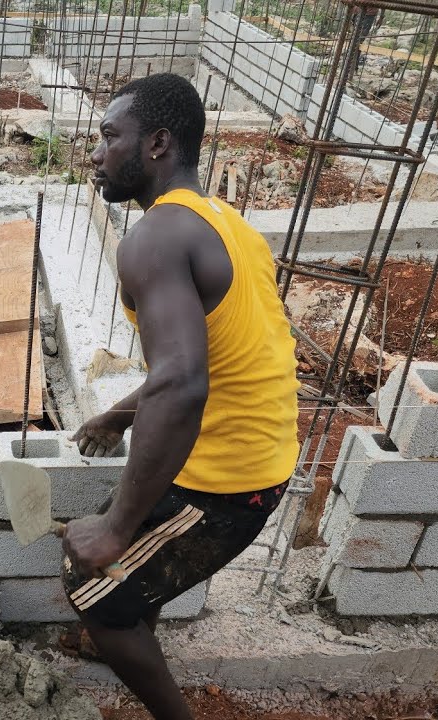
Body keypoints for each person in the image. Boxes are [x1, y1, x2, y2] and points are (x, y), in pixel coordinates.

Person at [61, 73, 300, 720]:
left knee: (88, 584)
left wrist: (116, 529)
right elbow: (208, 359)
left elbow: (181, 383)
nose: (96, 153)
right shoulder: (226, 223)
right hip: (255, 453)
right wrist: (117, 416)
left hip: (226, 484)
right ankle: (126, 621)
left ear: (158, 143)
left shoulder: (155, 239)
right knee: (123, 566)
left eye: (110, 136)